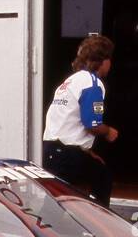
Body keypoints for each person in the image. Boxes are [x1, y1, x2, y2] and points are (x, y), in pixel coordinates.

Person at [42, 35, 118, 208]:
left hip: (53, 149)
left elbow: (68, 125)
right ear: (101, 61)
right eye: (109, 59)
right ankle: (98, 224)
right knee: (102, 178)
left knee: (56, 200)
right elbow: (92, 124)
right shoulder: (93, 84)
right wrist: (108, 132)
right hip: (67, 154)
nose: (110, 64)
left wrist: (86, 151)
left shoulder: (70, 81)